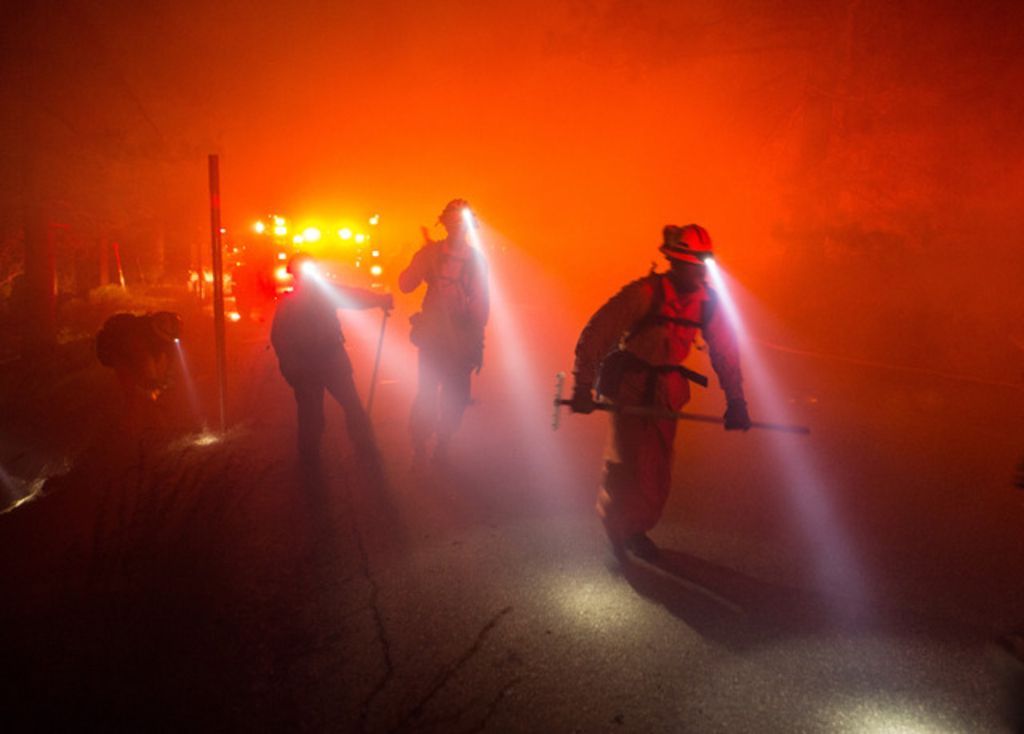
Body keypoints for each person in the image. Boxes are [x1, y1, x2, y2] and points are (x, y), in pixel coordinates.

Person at [570, 224, 751, 560]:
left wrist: (736, 399)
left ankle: (637, 528)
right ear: (677, 263)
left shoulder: (707, 303)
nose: (699, 274)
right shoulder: (645, 294)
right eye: (692, 266)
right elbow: (597, 332)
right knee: (626, 462)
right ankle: (618, 528)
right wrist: (582, 384)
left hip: (667, 390)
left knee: (656, 466)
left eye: (701, 267)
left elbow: (725, 351)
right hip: (631, 386)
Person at [270, 253, 392, 464]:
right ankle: (312, 458)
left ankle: (364, 449)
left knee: (350, 406)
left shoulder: (321, 294)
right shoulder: (289, 303)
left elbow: (354, 296)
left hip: (329, 358)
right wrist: (290, 368)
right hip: (310, 364)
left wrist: (379, 299)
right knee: (315, 415)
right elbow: (279, 338)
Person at [398, 199, 489, 463]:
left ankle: (443, 441)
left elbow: (482, 305)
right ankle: (419, 443)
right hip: (434, 334)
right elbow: (405, 285)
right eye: (455, 223)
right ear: (446, 224)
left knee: (457, 396)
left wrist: (476, 340)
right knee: (428, 391)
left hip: (461, 336)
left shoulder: (475, 260)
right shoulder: (431, 254)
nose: (459, 229)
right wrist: (418, 263)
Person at [96, 310, 182, 411]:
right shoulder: (136, 340)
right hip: (119, 353)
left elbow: (171, 354)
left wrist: (169, 375)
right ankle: (129, 407)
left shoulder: (164, 334)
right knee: (132, 390)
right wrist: (152, 385)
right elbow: (145, 361)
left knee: (148, 385)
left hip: (137, 354)